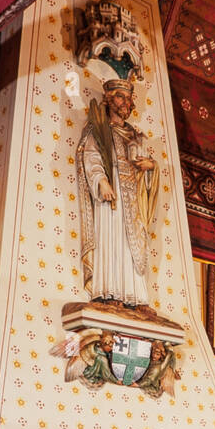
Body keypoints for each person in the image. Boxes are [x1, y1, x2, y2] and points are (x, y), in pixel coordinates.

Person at [76, 77, 158, 309]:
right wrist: (101, 180)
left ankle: (136, 297)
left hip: (133, 197)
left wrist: (151, 168)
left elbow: (145, 166)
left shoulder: (136, 135)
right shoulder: (98, 128)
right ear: (109, 100)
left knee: (135, 244)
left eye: (129, 98)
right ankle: (109, 292)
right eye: (121, 97)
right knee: (111, 241)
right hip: (110, 197)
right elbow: (90, 155)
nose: (126, 102)